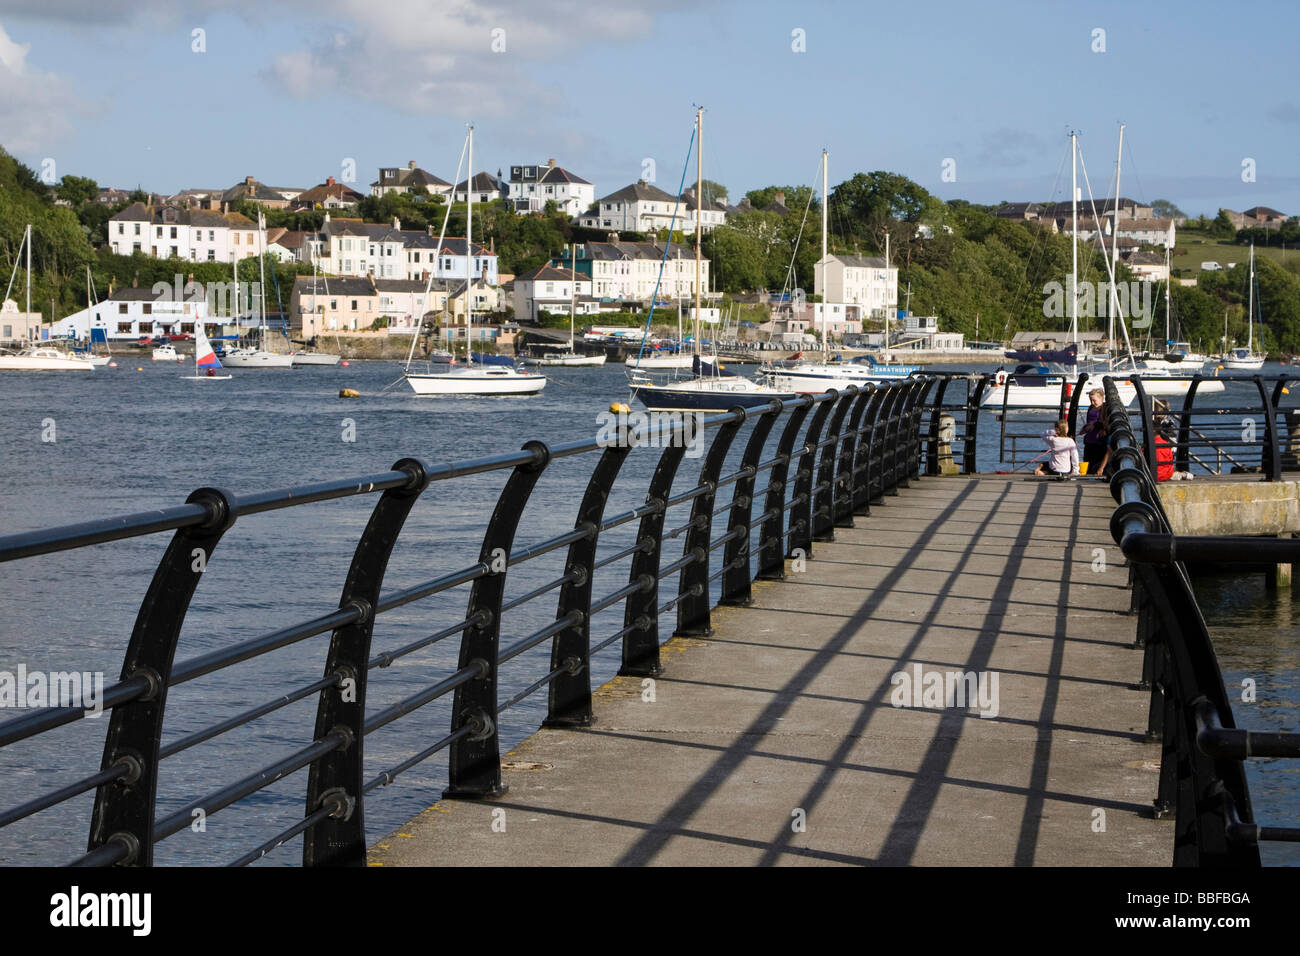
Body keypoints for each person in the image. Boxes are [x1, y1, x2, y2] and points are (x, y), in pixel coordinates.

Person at [1079, 388, 1109, 476]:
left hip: (1099, 441)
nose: (1092, 402)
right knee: (1088, 462)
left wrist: (1094, 425)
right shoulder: (1091, 408)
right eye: (1091, 400)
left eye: (1094, 400)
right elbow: (1089, 422)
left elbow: (1105, 424)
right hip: (1089, 440)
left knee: (1097, 463)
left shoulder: (1105, 408)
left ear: (1101, 398)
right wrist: (1085, 429)